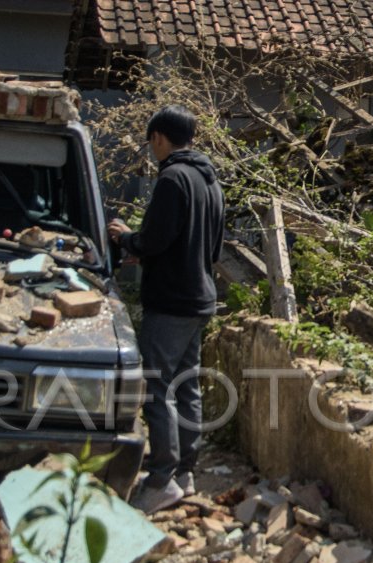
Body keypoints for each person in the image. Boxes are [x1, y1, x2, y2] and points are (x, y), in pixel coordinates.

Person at [108, 105, 225, 514]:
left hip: (172, 300)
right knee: (186, 384)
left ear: (159, 137)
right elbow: (210, 248)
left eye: (150, 141)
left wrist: (127, 240)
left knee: (156, 387)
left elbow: (155, 239)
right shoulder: (210, 180)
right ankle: (185, 473)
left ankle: (161, 479)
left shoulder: (173, 178)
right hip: (200, 297)